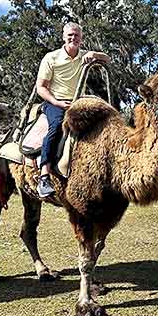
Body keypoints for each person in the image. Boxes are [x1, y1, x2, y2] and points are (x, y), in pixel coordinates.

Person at [36, 22, 111, 198]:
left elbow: (107, 59)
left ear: (81, 38)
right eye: (70, 35)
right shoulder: (51, 58)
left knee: (104, 124)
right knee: (56, 126)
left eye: (77, 35)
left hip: (78, 102)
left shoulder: (85, 55)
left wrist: (95, 54)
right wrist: (56, 102)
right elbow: (41, 87)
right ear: (63, 36)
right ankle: (44, 176)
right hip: (55, 102)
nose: (73, 38)